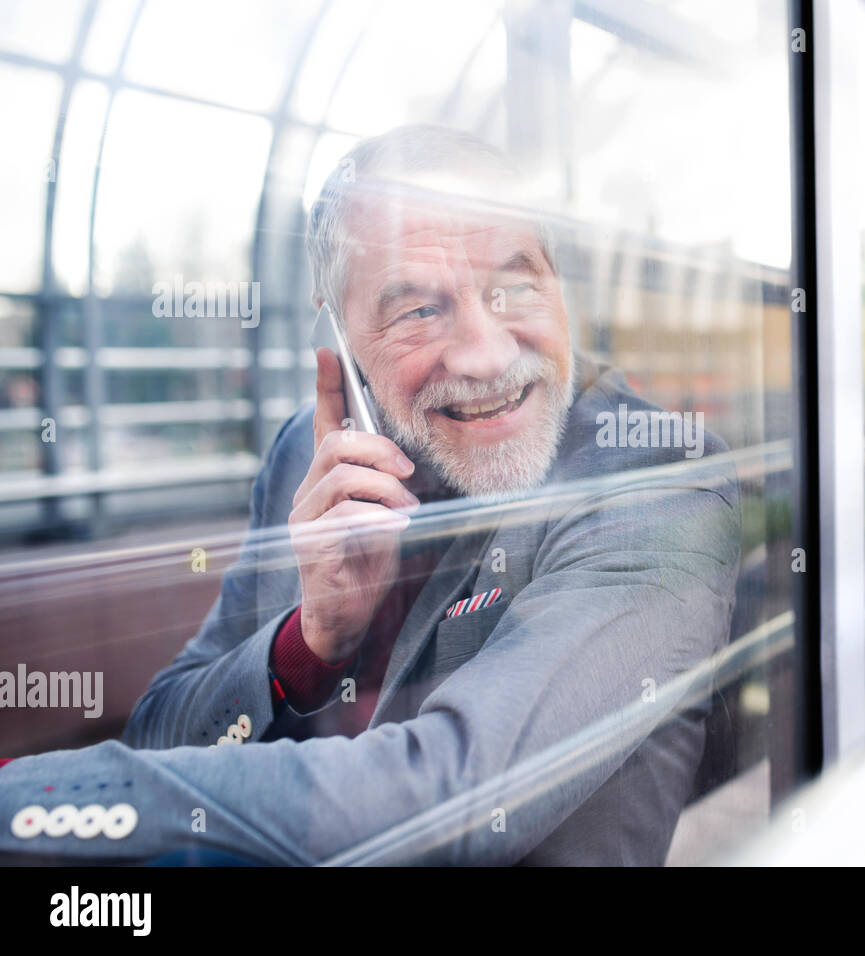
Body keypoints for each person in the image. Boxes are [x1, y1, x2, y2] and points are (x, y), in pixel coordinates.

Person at [0, 125, 741, 865]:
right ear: (341, 337)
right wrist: (309, 644)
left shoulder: (657, 476)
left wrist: (40, 806)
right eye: (419, 310)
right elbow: (162, 731)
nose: (485, 354)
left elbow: (454, 798)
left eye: (513, 288)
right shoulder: (310, 457)